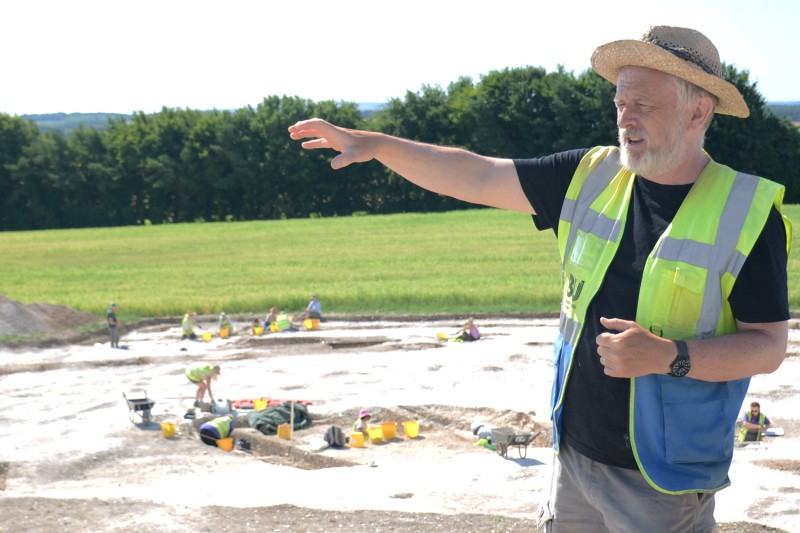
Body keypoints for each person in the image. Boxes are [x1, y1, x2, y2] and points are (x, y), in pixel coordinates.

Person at [288, 25, 790, 532]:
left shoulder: (745, 214)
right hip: (572, 458)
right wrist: (375, 144)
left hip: (661, 483)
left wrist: (669, 356)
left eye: (644, 105)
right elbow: (479, 175)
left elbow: (767, 346)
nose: (625, 118)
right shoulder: (590, 176)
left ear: (698, 110)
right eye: (620, 102)